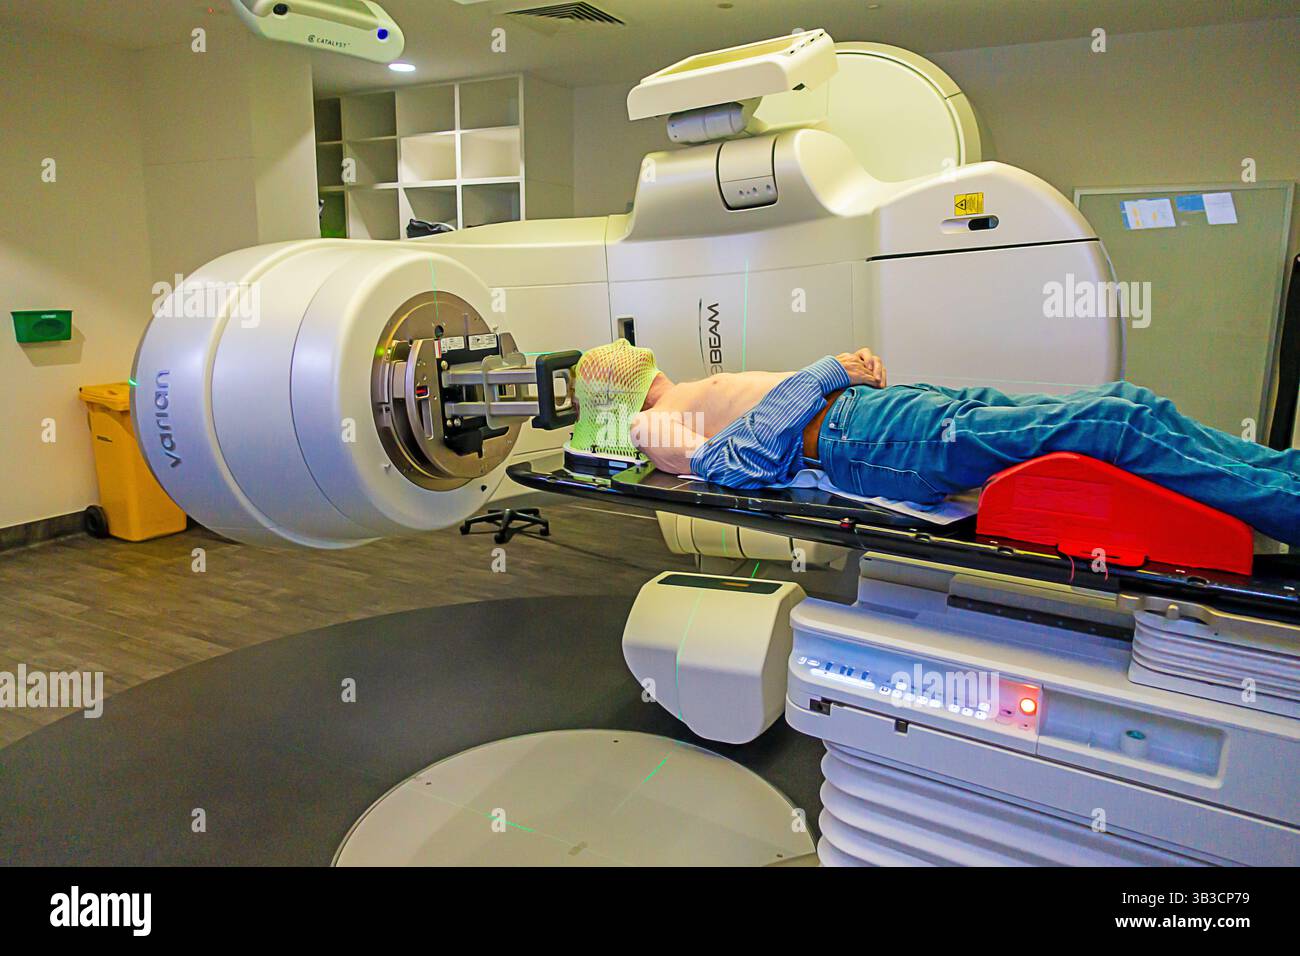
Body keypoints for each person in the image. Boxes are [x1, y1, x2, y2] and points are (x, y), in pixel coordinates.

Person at [607, 342, 1300, 545]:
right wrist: (824, 375)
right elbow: (736, 465)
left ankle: (1288, 479)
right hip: (865, 438)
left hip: (881, 417)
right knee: (1113, 426)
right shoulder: (650, 426)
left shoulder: (677, 395)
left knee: (1126, 405)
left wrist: (850, 381)